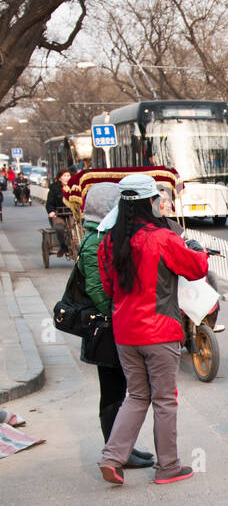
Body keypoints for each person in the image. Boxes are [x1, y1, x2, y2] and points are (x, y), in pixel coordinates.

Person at [96, 174, 210, 485]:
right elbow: (196, 268)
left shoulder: (108, 241)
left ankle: (111, 457)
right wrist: (198, 249)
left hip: (125, 332)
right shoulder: (160, 238)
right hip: (159, 332)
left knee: (136, 395)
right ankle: (169, 467)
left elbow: (107, 287)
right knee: (163, 399)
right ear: (150, 202)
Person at [77, 183, 155, 470]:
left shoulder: (102, 236)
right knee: (113, 393)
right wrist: (118, 310)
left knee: (122, 390)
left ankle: (124, 447)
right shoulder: (95, 240)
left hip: (114, 325)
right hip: (106, 328)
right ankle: (116, 450)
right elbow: (97, 289)